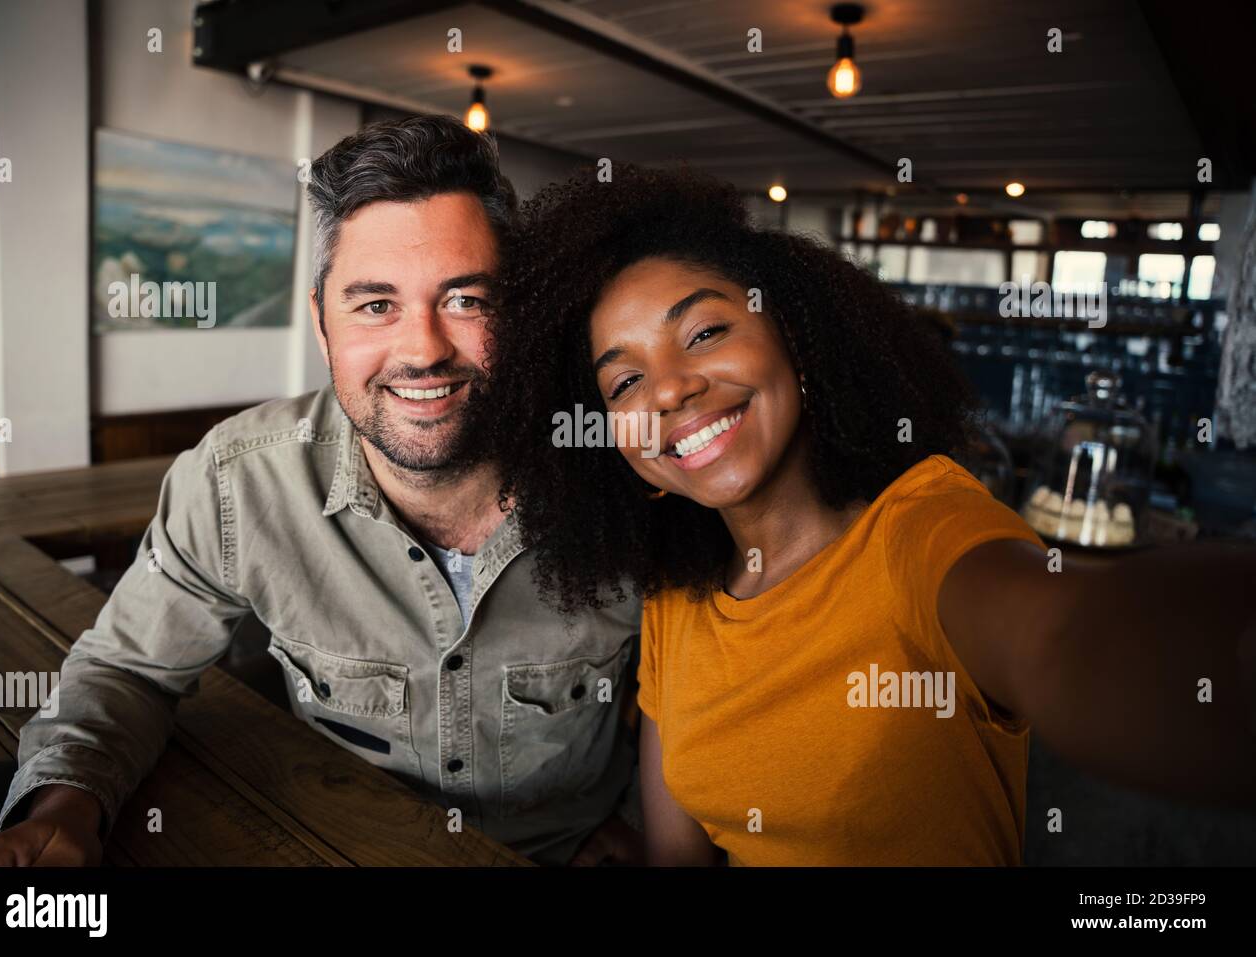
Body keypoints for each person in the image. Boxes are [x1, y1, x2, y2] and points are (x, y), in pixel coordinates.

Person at [482, 163, 1256, 866]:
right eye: (623, 384)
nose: (669, 390)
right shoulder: (675, 599)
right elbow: (678, 856)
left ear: (799, 343)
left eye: (706, 332)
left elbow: (1064, 637)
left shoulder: (921, 530)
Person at [0, 116, 643, 868]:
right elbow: (127, 669)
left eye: (465, 300)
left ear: (521, 314)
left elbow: (699, 695)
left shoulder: (627, 478)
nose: (422, 349)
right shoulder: (236, 482)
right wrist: (64, 810)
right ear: (322, 324)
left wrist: (640, 826)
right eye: (375, 304)